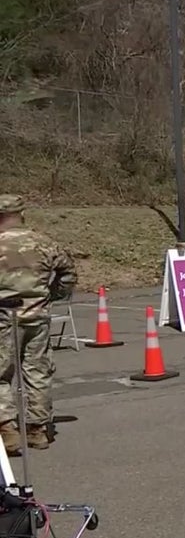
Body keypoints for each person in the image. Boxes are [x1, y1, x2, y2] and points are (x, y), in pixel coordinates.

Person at [0, 195, 76, 456]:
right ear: (21, 213)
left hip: (3, 317)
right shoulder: (43, 242)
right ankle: (37, 429)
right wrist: (52, 294)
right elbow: (68, 273)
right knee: (37, 371)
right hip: (37, 316)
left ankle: (7, 429)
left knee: (1, 374)